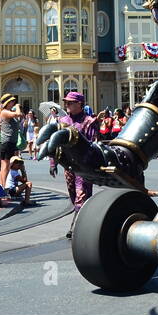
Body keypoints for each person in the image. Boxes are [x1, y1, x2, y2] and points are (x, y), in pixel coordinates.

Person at [51, 91, 99, 226]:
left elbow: (92, 144)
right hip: (68, 166)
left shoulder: (89, 121)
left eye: (70, 102)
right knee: (73, 195)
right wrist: (53, 163)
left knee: (81, 194)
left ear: (79, 104)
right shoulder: (63, 121)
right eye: (66, 102)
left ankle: (75, 226)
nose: (66, 104)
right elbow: (55, 143)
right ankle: (85, 219)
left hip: (83, 166)